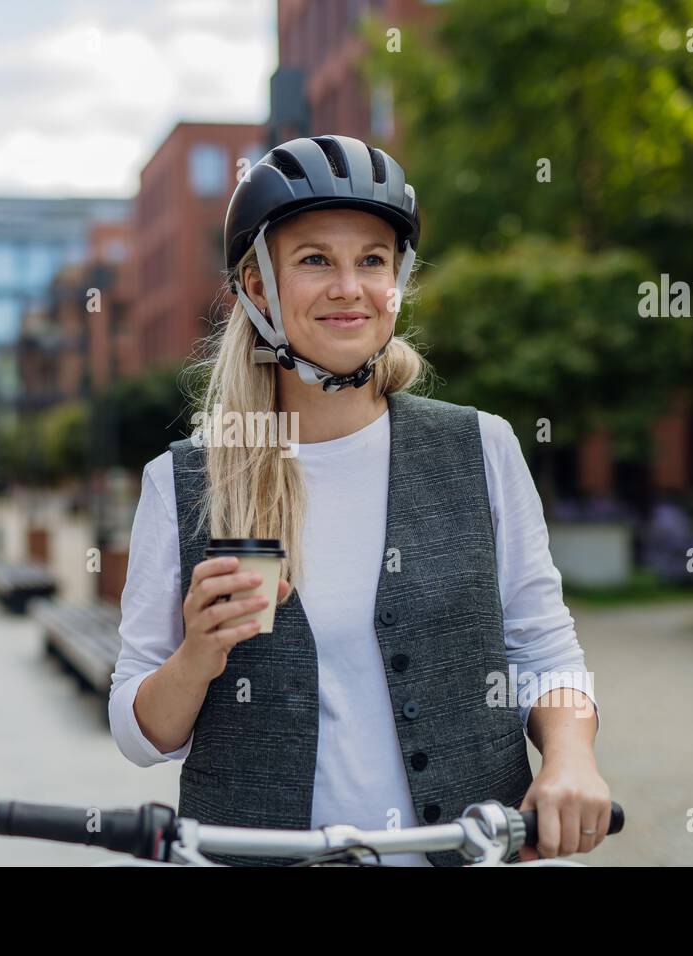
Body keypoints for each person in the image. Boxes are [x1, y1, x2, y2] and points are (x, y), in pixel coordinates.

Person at [109, 134, 609, 867]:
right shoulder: (184, 480)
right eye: (315, 260)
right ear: (258, 288)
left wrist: (570, 758)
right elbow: (138, 731)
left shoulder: (482, 447)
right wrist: (199, 653)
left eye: (372, 260)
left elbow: (542, 647)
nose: (350, 287)